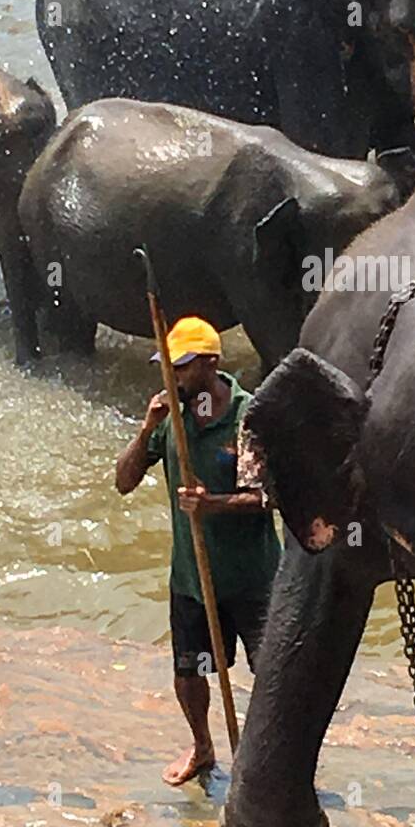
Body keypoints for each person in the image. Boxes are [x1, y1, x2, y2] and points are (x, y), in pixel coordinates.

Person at [115, 317, 281, 784]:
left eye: (183, 367)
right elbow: (123, 482)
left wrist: (212, 504)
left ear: (212, 363)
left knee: (271, 674)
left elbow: (267, 497)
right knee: (190, 673)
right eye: (168, 366)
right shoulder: (171, 419)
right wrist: (148, 427)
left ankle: (267, 760)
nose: (174, 376)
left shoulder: (248, 418)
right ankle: (203, 747)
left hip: (253, 579)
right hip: (192, 577)